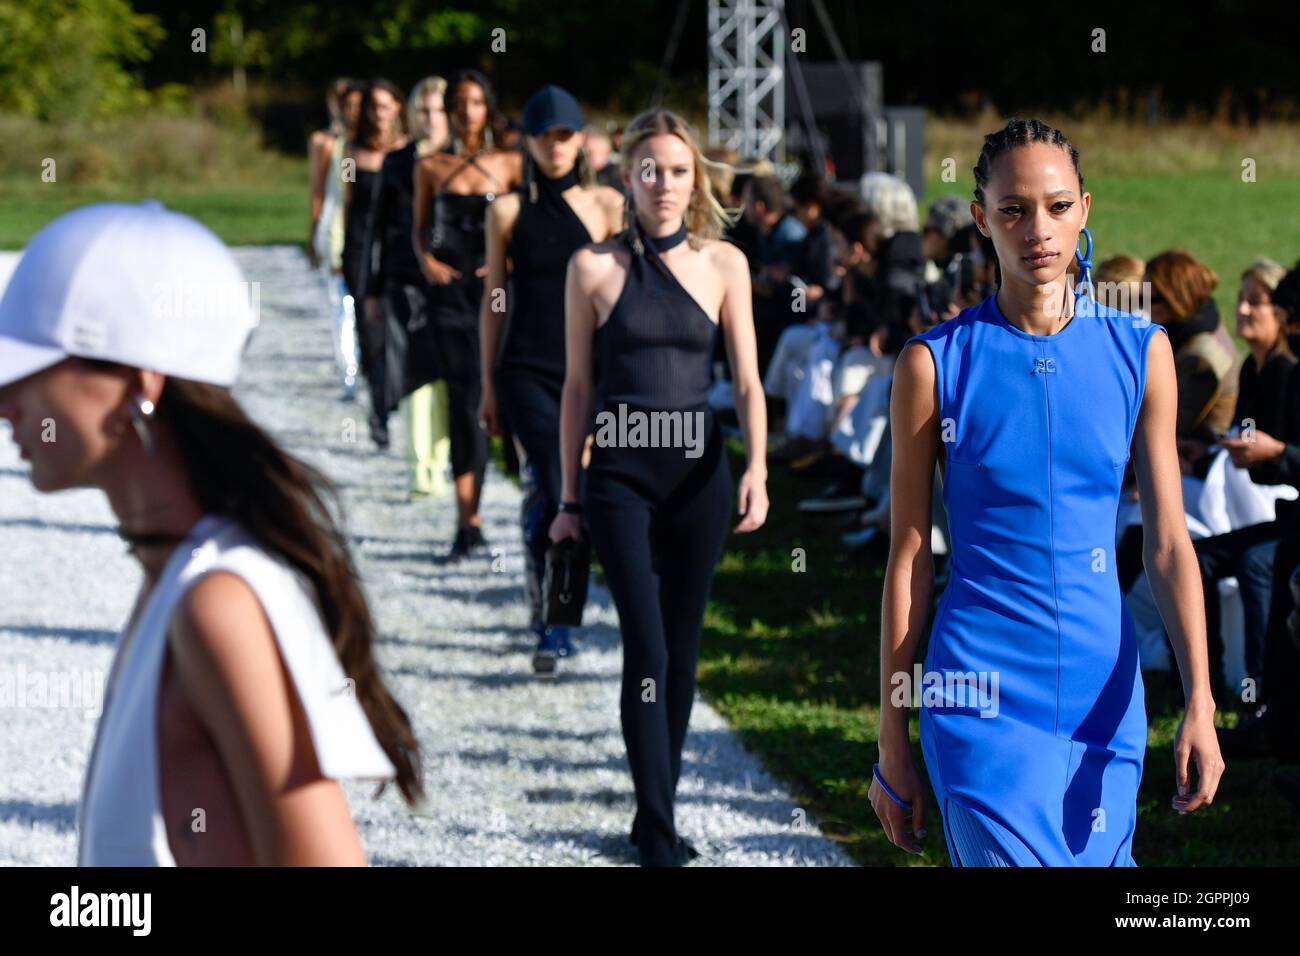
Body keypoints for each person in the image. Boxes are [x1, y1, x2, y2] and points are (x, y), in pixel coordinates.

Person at [0, 201, 424, 865]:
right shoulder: (174, 573)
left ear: (141, 382)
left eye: (33, 368)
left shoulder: (218, 602)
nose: (5, 400)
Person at [872, 119, 1224, 866]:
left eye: (1058, 207)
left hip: (1105, 696)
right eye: (1013, 210)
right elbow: (909, 559)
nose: (1039, 230)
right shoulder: (932, 366)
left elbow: (1167, 544)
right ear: (979, 218)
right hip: (976, 700)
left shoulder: (1142, 353)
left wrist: (1201, 698)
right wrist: (891, 740)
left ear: (1086, 210)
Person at [549, 109, 769, 866]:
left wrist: (761, 471)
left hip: (701, 475)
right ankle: (658, 830)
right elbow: (577, 389)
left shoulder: (725, 265)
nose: (664, 183)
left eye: (677, 170)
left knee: (682, 650)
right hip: (618, 479)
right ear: (626, 178)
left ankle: (657, 817)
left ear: (695, 180)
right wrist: (568, 499)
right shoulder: (591, 268)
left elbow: (745, 379)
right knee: (644, 646)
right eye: (649, 169)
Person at [478, 85, 623, 675]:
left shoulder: (608, 206)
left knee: (567, 488)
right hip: (528, 370)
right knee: (560, 485)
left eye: (564, 135)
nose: (555, 147)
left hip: (590, 368)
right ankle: (554, 625)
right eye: (543, 136)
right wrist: (487, 383)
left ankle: (551, 600)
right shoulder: (506, 210)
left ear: (581, 139)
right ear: (528, 141)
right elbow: (494, 297)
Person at [413, 68, 522, 560]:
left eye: (476, 102)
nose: (466, 111)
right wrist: (426, 261)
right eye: (458, 102)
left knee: (506, 393)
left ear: (487, 108)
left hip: (495, 295)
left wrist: (505, 264)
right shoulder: (430, 166)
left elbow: (528, 228)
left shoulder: (510, 164)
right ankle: (467, 519)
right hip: (449, 297)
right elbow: (417, 228)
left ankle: (538, 505)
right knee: (464, 399)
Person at [363, 75, 454, 498]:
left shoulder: (464, 163)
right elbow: (375, 230)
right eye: (423, 111)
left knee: (449, 375)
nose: (430, 119)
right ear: (412, 115)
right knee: (415, 372)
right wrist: (372, 289)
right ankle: (420, 468)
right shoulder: (397, 162)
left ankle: (443, 457)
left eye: (437, 110)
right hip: (404, 280)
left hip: (454, 284)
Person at [344, 79, 408, 450]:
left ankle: (395, 392)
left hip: (395, 246)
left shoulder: (408, 152)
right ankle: (379, 406)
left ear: (398, 107)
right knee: (368, 331)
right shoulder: (352, 153)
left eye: (386, 106)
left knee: (395, 329)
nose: (379, 114)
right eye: (373, 107)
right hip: (359, 248)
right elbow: (350, 202)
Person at [1145, 249, 1242, 472]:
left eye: (1147, 298)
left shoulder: (1199, 357)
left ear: (1173, 300)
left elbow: (1165, 427)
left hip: (1203, 467)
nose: (1141, 306)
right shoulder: (1207, 324)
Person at [311, 80, 364, 401]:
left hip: (365, 236)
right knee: (342, 306)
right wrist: (315, 233)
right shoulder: (335, 146)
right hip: (337, 234)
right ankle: (350, 372)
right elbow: (323, 193)